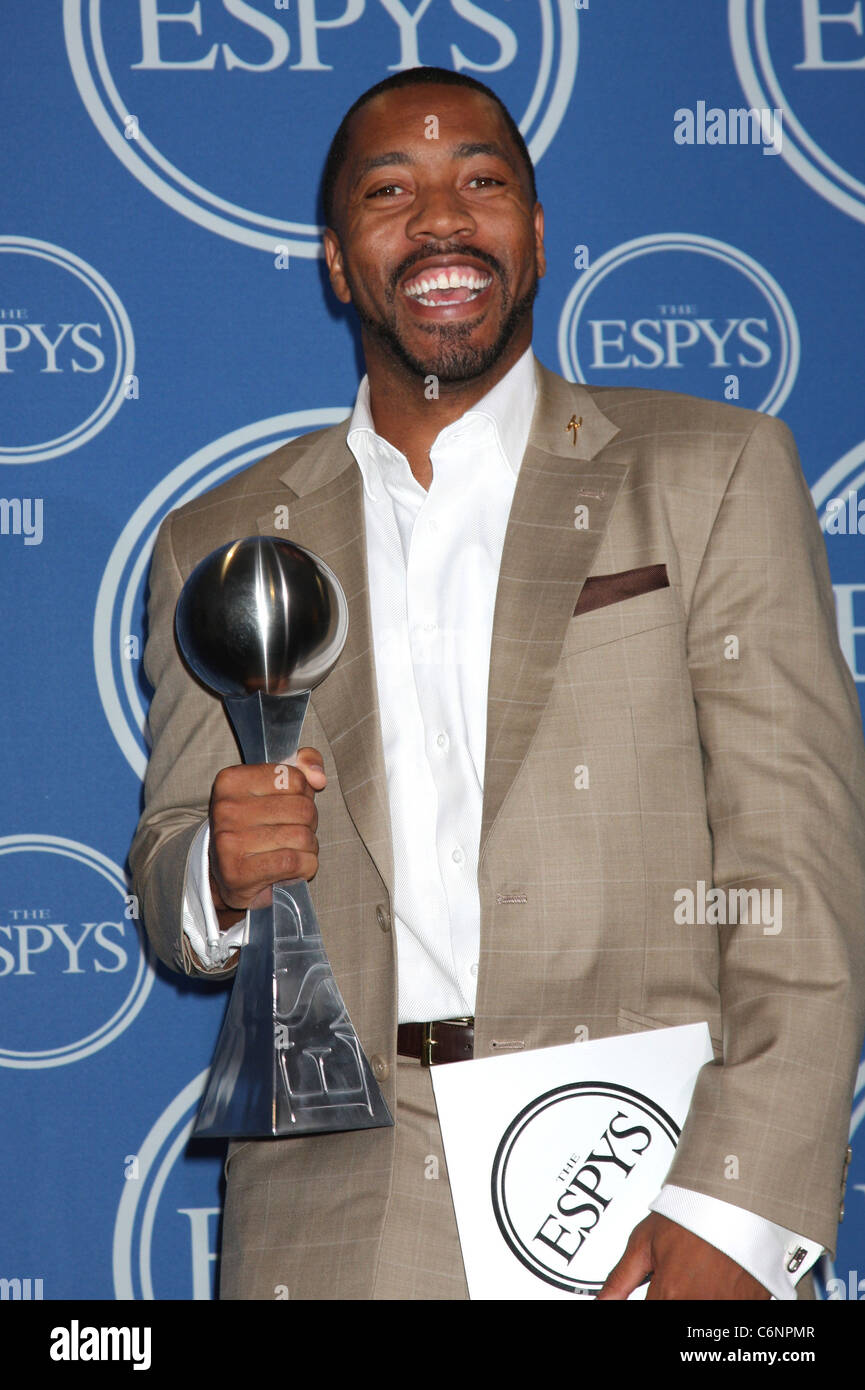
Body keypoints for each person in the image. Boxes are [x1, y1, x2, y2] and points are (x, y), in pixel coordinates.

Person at [130, 66, 865, 1301]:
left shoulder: (709, 471)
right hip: (333, 1212)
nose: (439, 220)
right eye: (389, 190)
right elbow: (168, 872)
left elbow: (796, 870)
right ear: (332, 256)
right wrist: (213, 868)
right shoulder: (222, 539)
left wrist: (741, 1205)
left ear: (533, 235)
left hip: (648, 1180)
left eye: (481, 182)